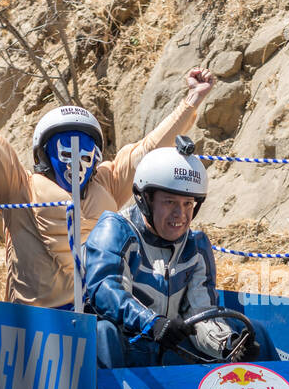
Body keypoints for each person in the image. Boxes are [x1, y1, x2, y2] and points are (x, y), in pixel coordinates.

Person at [0, 37, 216, 309]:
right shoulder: (17, 186)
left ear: (97, 154)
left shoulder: (109, 181)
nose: (76, 162)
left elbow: (152, 147)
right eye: (66, 151)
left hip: (99, 314)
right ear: (44, 153)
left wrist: (193, 99)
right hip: (40, 323)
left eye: (85, 153)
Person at [84, 138, 276, 369]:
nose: (181, 214)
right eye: (170, 202)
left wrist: (228, 345)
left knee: (256, 333)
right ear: (145, 199)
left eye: (188, 204)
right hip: (128, 348)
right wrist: (152, 323)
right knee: (102, 332)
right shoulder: (115, 230)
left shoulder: (196, 245)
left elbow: (202, 312)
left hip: (168, 350)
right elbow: (105, 291)